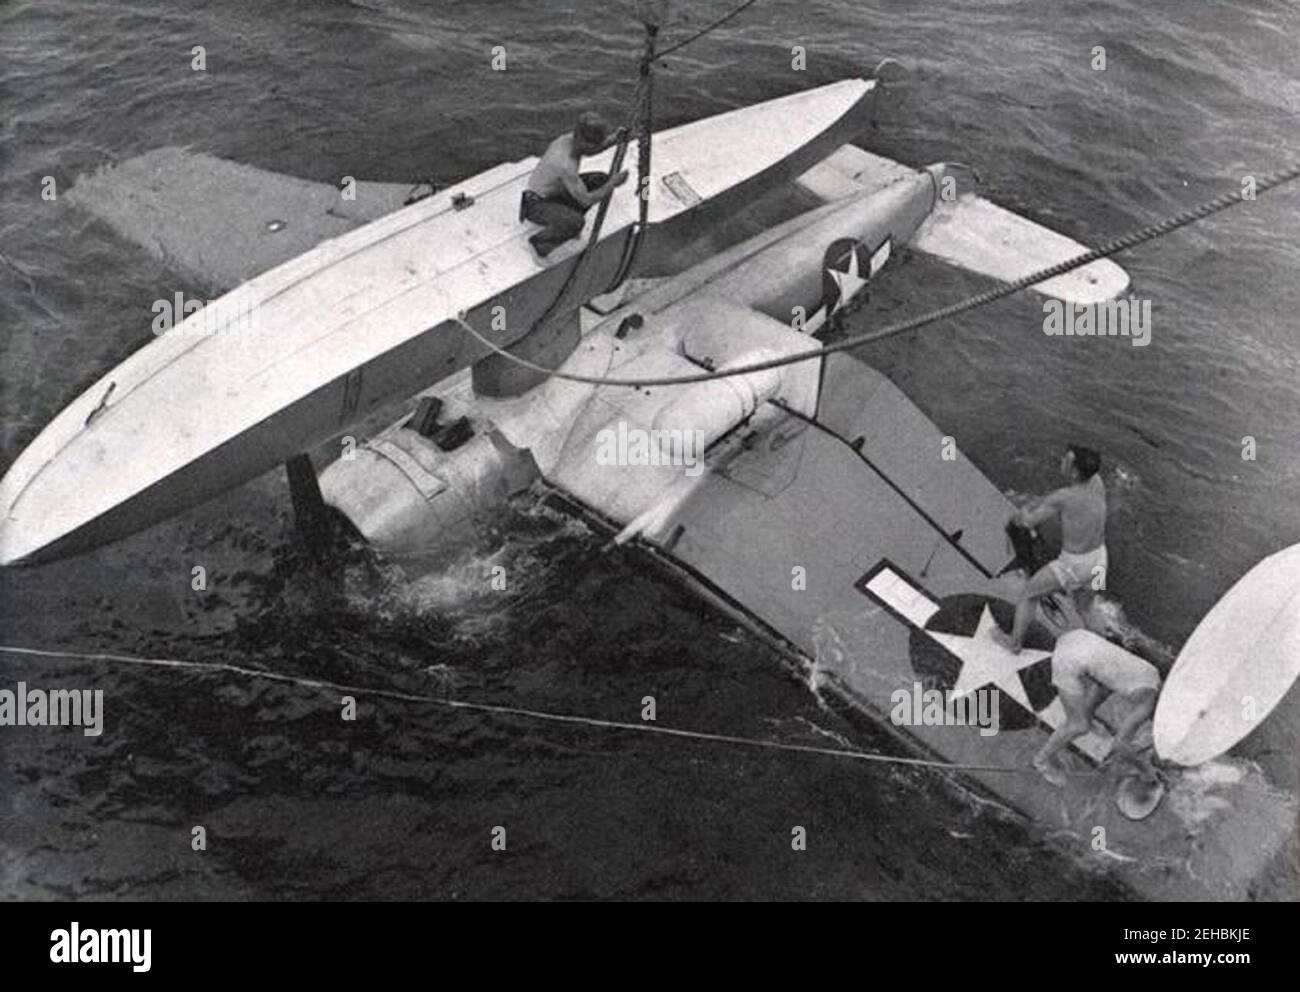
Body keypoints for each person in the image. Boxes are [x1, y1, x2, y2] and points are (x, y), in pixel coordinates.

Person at [1033, 595, 1168, 786]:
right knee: (1079, 725)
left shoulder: (1152, 674)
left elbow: (1105, 682)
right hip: (1068, 660)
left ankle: (1081, 718)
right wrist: (1145, 769)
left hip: (1081, 638)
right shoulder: (1146, 703)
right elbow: (1119, 746)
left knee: (1099, 694)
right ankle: (1041, 760)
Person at [1001, 444, 1107, 653]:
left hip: (1074, 565)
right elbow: (1055, 500)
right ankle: (1103, 650)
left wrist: (1020, 513)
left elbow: (1028, 522)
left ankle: (1014, 644)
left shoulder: (1064, 497)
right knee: (1086, 606)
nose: (1062, 461)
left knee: (1029, 594)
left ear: (1074, 472)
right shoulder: (1097, 482)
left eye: (1066, 460)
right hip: (1099, 559)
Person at [520, 112, 629, 259]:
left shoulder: (570, 140)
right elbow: (587, 200)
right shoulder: (565, 164)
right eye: (595, 144)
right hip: (535, 204)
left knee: (600, 180)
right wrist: (614, 184)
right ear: (584, 142)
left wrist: (614, 139)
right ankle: (540, 243)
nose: (597, 147)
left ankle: (565, 222)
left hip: (556, 192)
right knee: (576, 222)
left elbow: (590, 149)